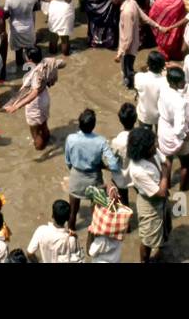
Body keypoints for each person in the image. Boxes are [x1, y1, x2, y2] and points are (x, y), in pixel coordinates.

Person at [63, 108, 121, 229]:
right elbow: (114, 165)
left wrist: (75, 170)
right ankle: (94, 237)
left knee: (73, 212)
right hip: (94, 179)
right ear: (94, 125)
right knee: (96, 214)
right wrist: (104, 167)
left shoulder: (71, 138)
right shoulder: (101, 141)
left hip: (76, 178)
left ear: (79, 123)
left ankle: (71, 234)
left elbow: (68, 161)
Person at [125, 124, 170, 263]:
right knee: (148, 238)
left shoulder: (153, 151)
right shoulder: (137, 170)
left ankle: (160, 251)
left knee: (165, 226)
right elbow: (161, 192)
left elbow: (166, 163)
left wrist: (164, 174)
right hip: (149, 204)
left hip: (161, 199)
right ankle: (144, 261)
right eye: (152, 145)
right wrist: (164, 175)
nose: (156, 145)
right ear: (143, 150)